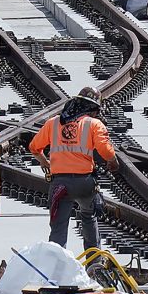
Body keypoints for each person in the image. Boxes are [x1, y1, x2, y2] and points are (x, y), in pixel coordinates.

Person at [28, 87, 119, 251]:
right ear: (92, 109)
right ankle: (94, 263)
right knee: (89, 218)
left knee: (58, 226)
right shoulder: (93, 124)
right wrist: (112, 161)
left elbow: (34, 147)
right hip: (84, 182)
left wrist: (45, 162)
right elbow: (105, 150)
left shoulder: (53, 123)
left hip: (60, 184)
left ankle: (56, 265)